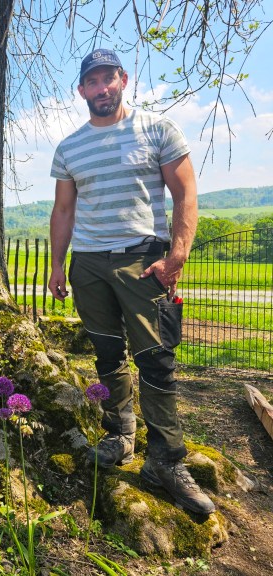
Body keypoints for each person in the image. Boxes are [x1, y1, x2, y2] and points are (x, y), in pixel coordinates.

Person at [48, 49, 215, 515]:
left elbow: (185, 191)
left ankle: (165, 460)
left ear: (124, 79)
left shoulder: (158, 130)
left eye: (108, 78)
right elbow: (63, 210)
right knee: (106, 354)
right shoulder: (70, 148)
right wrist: (58, 265)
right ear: (81, 90)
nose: (101, 88)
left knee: (156, 361)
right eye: (92, 81)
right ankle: (120, 435)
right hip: (88, 266)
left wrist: (177, 255)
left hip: (143, 261)